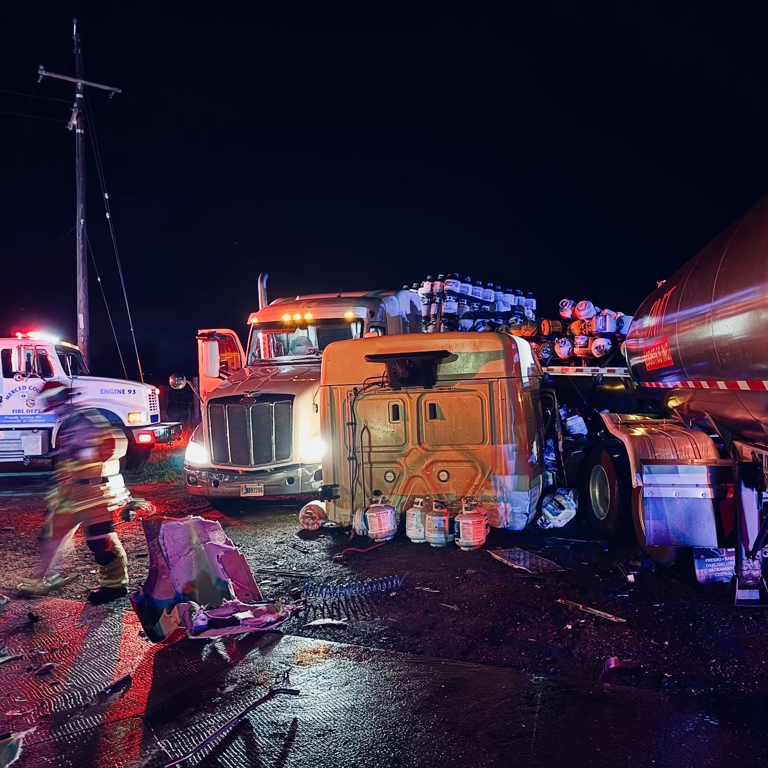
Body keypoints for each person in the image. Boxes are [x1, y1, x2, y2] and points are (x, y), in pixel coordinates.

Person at [18, 381, 147, 604]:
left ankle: (115, 586)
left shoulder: (86, 418)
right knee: (53, 537)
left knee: (100, 541)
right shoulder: (68, 423)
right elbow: (66, 462)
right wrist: (57, 494)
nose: (52, 405)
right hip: (72, 493)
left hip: (93, 492)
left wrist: (92, 457)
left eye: (53, 400)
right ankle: (43, 578)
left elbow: (112, 442)